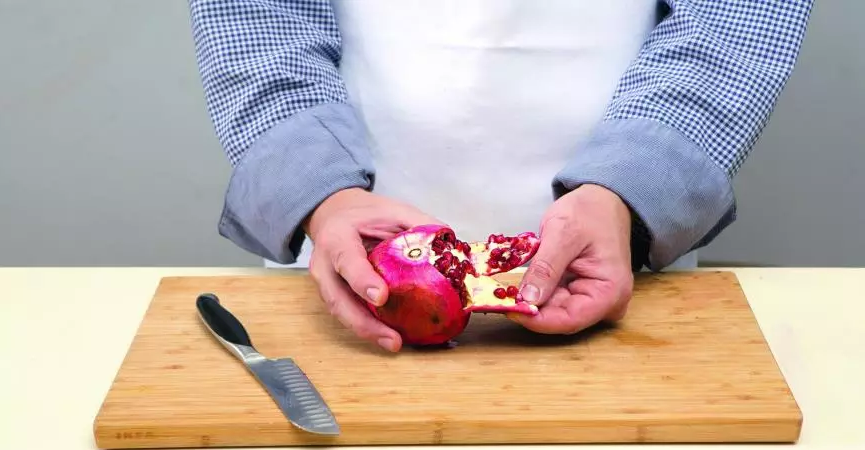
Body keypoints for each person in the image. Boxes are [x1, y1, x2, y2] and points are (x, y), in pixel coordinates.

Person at [188, 0, 813, 352]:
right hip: (351, 256)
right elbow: (254, 16)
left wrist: (626, 191)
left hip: (630, 252)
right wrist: (322, 195)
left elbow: (735, 23)